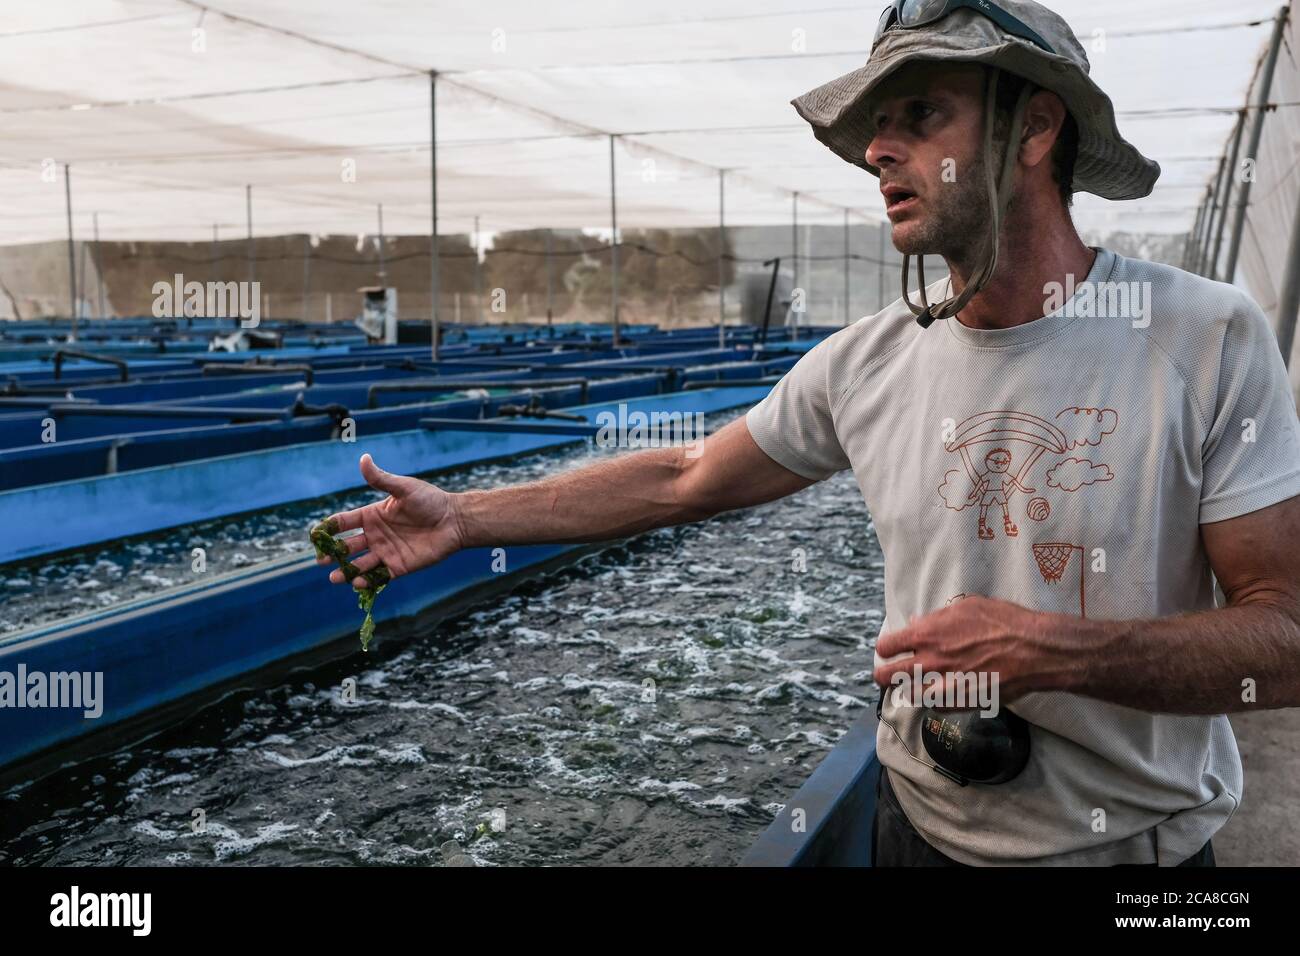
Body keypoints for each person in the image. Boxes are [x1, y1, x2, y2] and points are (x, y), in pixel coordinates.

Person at [319, 0, 1300, 866]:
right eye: (878, 124)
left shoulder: (1201, 338)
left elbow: (1284, 633)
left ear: (1034, 125)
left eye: (921, 114)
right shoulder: (867, 362)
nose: (879, 149)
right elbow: (686, 474)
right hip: (916, 830)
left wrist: (1052, 648)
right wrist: (465, 515)